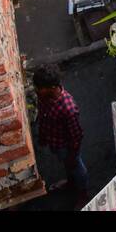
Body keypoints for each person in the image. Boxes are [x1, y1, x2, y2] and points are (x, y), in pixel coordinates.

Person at [34, 65, 87, 204]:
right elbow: (43, 115)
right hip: (55, 142)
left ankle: (83, 194)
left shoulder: (68, 109)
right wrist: (42, 135)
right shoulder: (44, 96)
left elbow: (76, 136)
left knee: (77, 168)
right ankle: (71, 182)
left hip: (66, 146)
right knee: (68, 166)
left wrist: (72, 156)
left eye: (40, 88)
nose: (37, 90)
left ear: (52, 87)